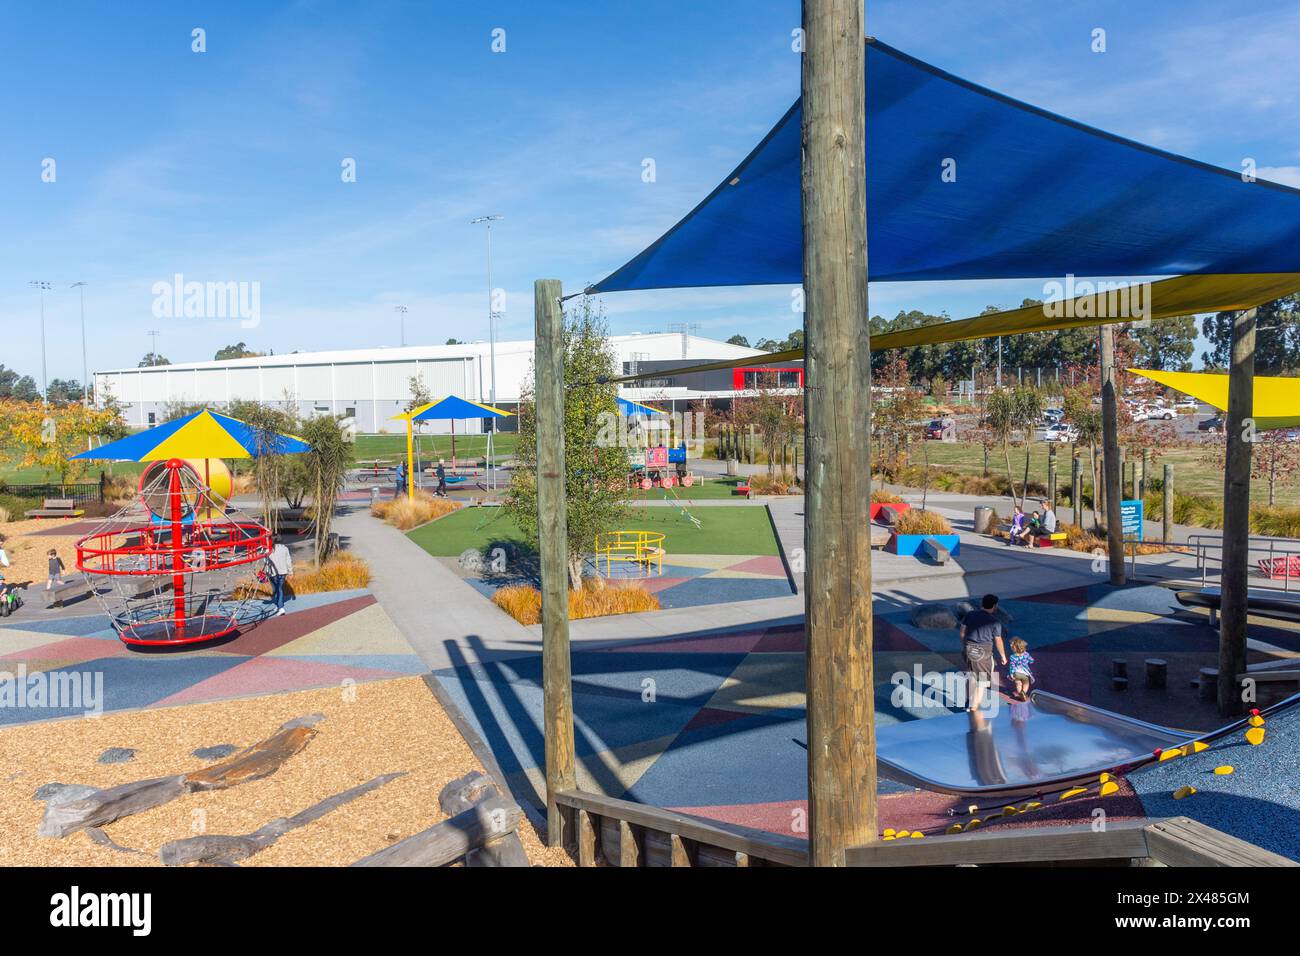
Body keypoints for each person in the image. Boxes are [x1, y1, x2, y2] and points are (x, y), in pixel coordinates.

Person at [959, 593, 1008, 711]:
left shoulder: (970, 615)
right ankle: (974, 707)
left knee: (971, 674)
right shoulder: (994, 622)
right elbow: (998, 640)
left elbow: (962, 632)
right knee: (982, 681)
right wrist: (1003, 656)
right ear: (995, 606)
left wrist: (965, 645)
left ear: (982, 603)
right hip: (984, 652)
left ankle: (968, 701)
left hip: (969, 648)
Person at [266, 541, 294, 616]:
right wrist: (290, 571)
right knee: (278, 589)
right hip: (283, 572)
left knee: (277, 589)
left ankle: (281, 608)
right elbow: (288, 560)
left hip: (273, 573)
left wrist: (266, 574)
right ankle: (279, 604)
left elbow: (266, 563)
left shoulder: (268, 550)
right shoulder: (285, 548)